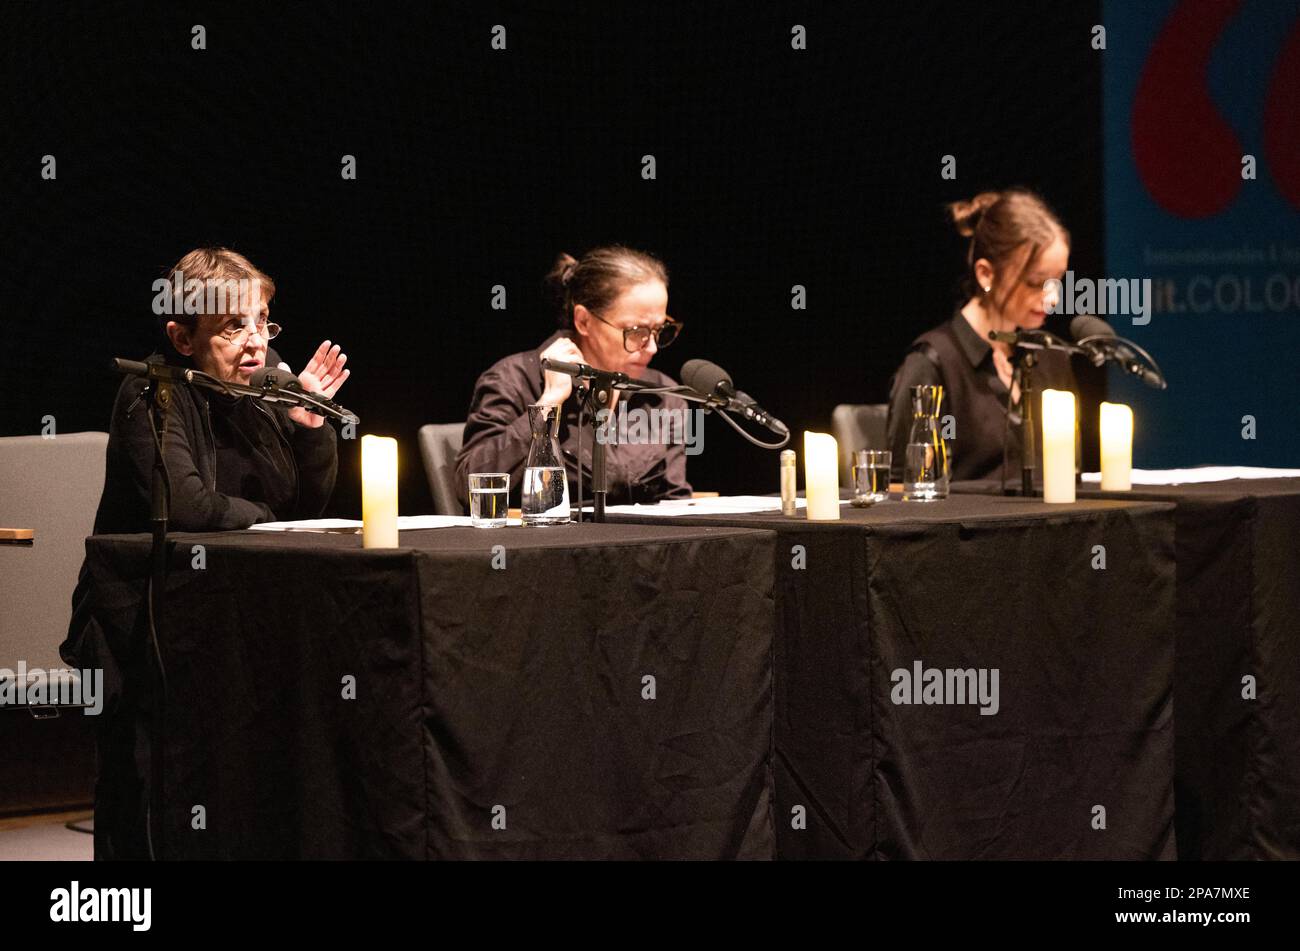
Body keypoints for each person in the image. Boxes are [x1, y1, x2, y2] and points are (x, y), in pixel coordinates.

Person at [61, 247, 351, 858]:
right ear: (182, 335)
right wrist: (267, 522)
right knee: (156, 800)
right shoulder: (151, 392)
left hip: (237, 623)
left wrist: (309, 428)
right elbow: (190, 505)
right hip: (146, 626)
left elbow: (307, 502)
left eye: (262, 322)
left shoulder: (260, 389)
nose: (255, 343)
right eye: (232, 326)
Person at [455, 245, 693, 510]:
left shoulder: (662, 395)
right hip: (548, 547)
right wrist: (549, 403)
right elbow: (471, 487)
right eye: (636, 331)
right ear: (584, 321)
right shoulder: (514, 379)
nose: (651, 347)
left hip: (637, 548)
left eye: (660, 330)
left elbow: (675, 502)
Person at [886, 189, 1077, 483]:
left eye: (1057, 281)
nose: (1052, 298)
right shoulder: (933, 363)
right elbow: (901, 489)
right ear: (986, 274)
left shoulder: (1051, 357)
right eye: (1035, 282)